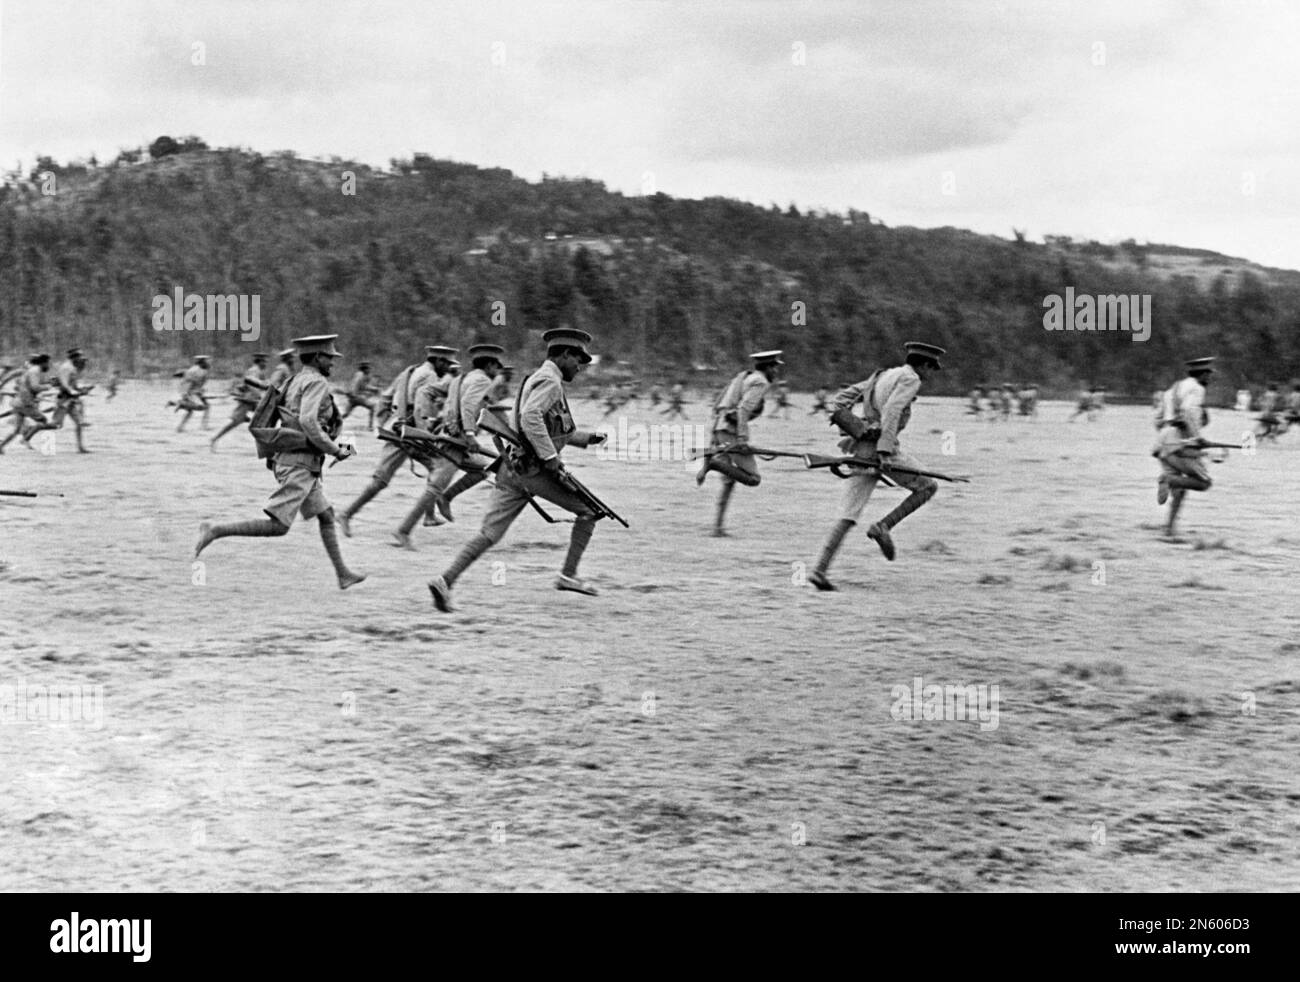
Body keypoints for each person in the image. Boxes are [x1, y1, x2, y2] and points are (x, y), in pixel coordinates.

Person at [428, 328, 609, 611]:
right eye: (577, 359)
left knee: (489, 534)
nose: (580, 366)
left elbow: (551, 429)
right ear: (563, 354)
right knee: (589, 511)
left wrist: (589, 438)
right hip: (534, 472)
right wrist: (550, 458)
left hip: (511, 469)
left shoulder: (536, 378)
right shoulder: (551, 381)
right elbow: (531, 418)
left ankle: (445, 580)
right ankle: (568, 575)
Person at [194, 335, 365, 590]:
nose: (333, 363)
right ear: (318, 358)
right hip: (300, 463)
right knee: (278, 526)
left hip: (296, 460)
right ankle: (215, 530)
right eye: (330, 357)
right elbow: (308, 421)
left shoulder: (294, 380)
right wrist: (334, 450)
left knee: (327, 516)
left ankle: (342, 574)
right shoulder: (315, 382)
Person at [807, 342, 946, 590]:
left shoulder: (882, 375)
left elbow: (840, 402)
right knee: (928, 487)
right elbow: (892, 410)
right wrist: (883, 448)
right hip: (883, 451)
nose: (931, 374)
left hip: (862, 449)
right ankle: (883, 526)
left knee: (848, 515)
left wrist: (859, 429)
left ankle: (819, 570)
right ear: (924, 365)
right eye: (931, 368)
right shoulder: (910, 379)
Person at [392, 343, 507, 548]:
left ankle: (447, 498)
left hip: (455, 438)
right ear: (489, 365)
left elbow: (426, 391)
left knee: (482, 469)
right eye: (497, 367)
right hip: (456, 441)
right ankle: (403, 530)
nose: (497, 371)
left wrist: (427, 419)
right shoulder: (481, 380)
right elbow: (469, 406)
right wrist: (471, 434)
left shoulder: (461, 378)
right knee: (434, 487)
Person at [339, 345, 457, 536]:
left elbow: (386, 397)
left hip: (398, 428)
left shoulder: (411, 371)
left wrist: (385, 420)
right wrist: (427, 432)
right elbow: (421, 409)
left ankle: (428, 515)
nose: (447, 368)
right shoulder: (431, 376)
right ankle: (346, 514)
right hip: (409, 433)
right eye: (446, 364)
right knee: (432, 469)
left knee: (427, 469)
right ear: (438, 361)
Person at [696, 350, 783, 536]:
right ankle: (713, 463)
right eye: (775, 367)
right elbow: (743, 410)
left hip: (720, 428)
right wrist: (742, 439)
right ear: (767, 367)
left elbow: (718, 403)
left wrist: (715, 435)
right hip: (731, 431)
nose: (776, 372)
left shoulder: (743, 376)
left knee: (729, 482)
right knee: (753, 479)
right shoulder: (760, 382)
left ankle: (717, 528)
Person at [1154, 357, 1217, 539]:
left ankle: (1169, 530)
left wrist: (1167, 434)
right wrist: (1197, 438)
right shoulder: (1197, 389)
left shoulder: (1172, 389)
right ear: (1203, 374)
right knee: (1204, 483)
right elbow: (1189, 411)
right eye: (1209, 375)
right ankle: (1167, 480)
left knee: (1180, 489)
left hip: (1163, 443)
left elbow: (1157, 419)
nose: (1209, 379)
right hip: (1180, 445)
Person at [209, 352, 269, 451]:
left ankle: (266, 445)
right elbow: (251, 384)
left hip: (253, 400)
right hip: (248, 400)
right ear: (260, 362)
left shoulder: (258, 371)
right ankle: (214, 439)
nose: (265, 364)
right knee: (235, 422)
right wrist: (261, 396)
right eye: (264, 362)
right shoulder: (254, 371)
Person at [0, 353, 56, 453]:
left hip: (18, 403)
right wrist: (48, 386)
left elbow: (32, 385)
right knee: (45, 421)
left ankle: (2, 445)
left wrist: (49, 383)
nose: (49, 366)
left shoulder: (31, 371)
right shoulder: (35, 371)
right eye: (48, 363)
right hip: (26, 404)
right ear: (43, 363)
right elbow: (35, 387)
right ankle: (26, 439)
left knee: (16, 430)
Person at [50, 347, 95, 453]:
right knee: (55, 425)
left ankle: (80, 447)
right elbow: (65, 384)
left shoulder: (73, 368)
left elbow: (73, 385)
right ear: (74, 357)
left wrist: (83, 389)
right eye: (80, 357)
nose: (82, 360)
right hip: (63, 400)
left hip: (71, 400)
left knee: (79, 423)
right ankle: (30, 431)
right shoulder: (66, 367)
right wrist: (73, 391)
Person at [169, 355, 211, 431]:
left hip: (195, 392)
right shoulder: (195, 371)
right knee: (201, 406)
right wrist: (185, 394)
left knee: (191, 411)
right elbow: (188, 382)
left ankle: (180, 427)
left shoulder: (202, 370)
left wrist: (201, 391)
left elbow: (198, 383)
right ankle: (176, 403)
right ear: (202, 362)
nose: (209, 363)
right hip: (190, 393)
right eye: (207, 361)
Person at [340, 361, 378, 430]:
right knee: (372, 407)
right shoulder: (360, 375)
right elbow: (355, 385)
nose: (370, 370)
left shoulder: (361, 375)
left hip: (354, 397)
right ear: (365, 369)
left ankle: (333, 422)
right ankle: (370, 427)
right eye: (368, 369)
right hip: (356, 397)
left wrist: (372, 389)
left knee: (346, 414)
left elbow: (363, 386)